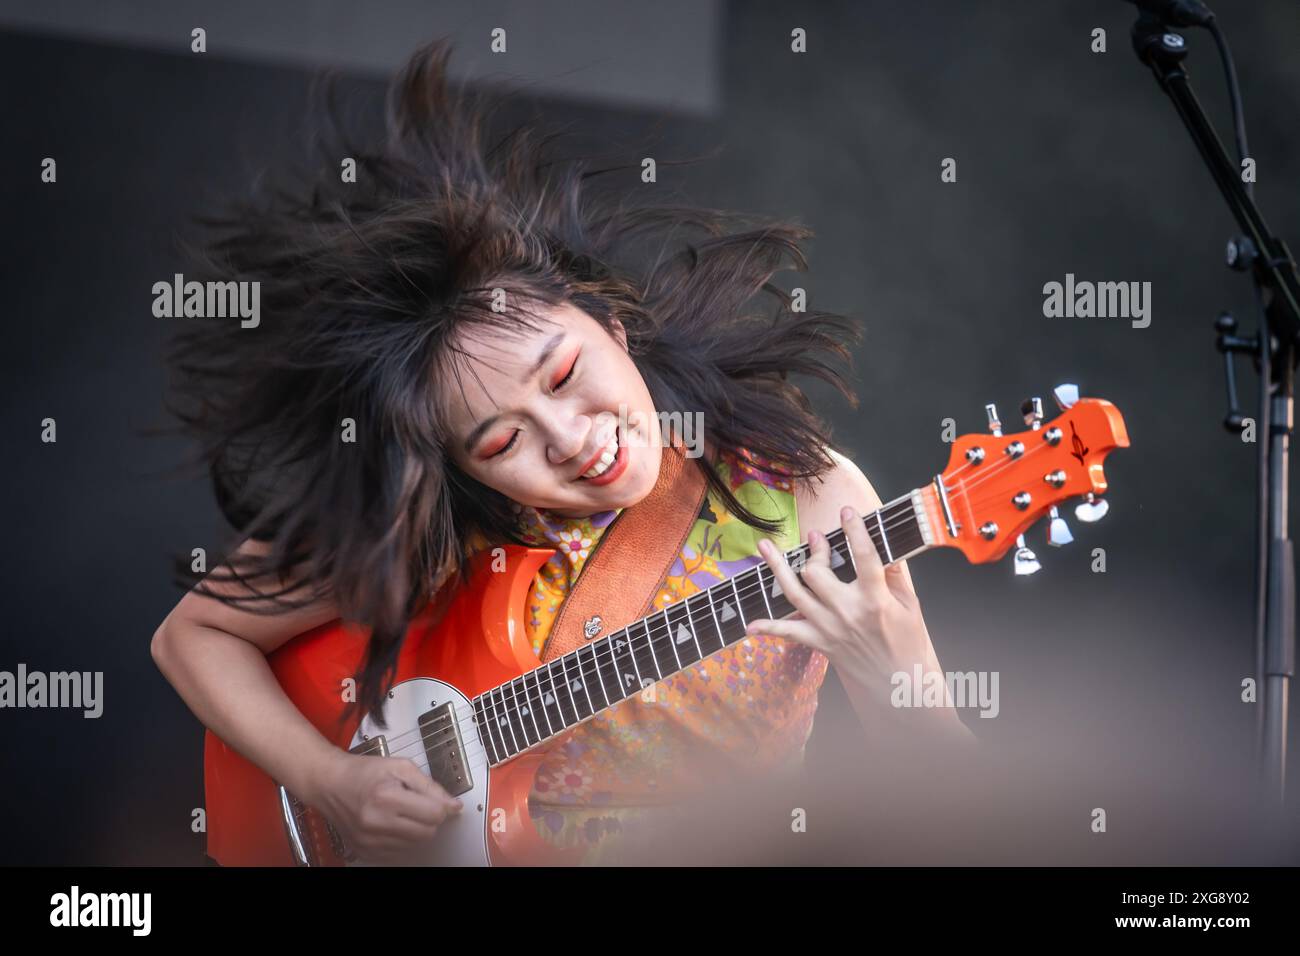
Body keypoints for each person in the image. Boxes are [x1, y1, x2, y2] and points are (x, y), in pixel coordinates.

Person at [151, 38, 970, 866]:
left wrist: (891, 672)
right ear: (462, 467)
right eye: (504, 440)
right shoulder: (437, 515)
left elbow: (967, 822)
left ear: (611, 323)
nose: (575, 442)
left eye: (567, 372)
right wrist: (331, 781)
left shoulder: (816, 499)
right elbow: (193, 636)